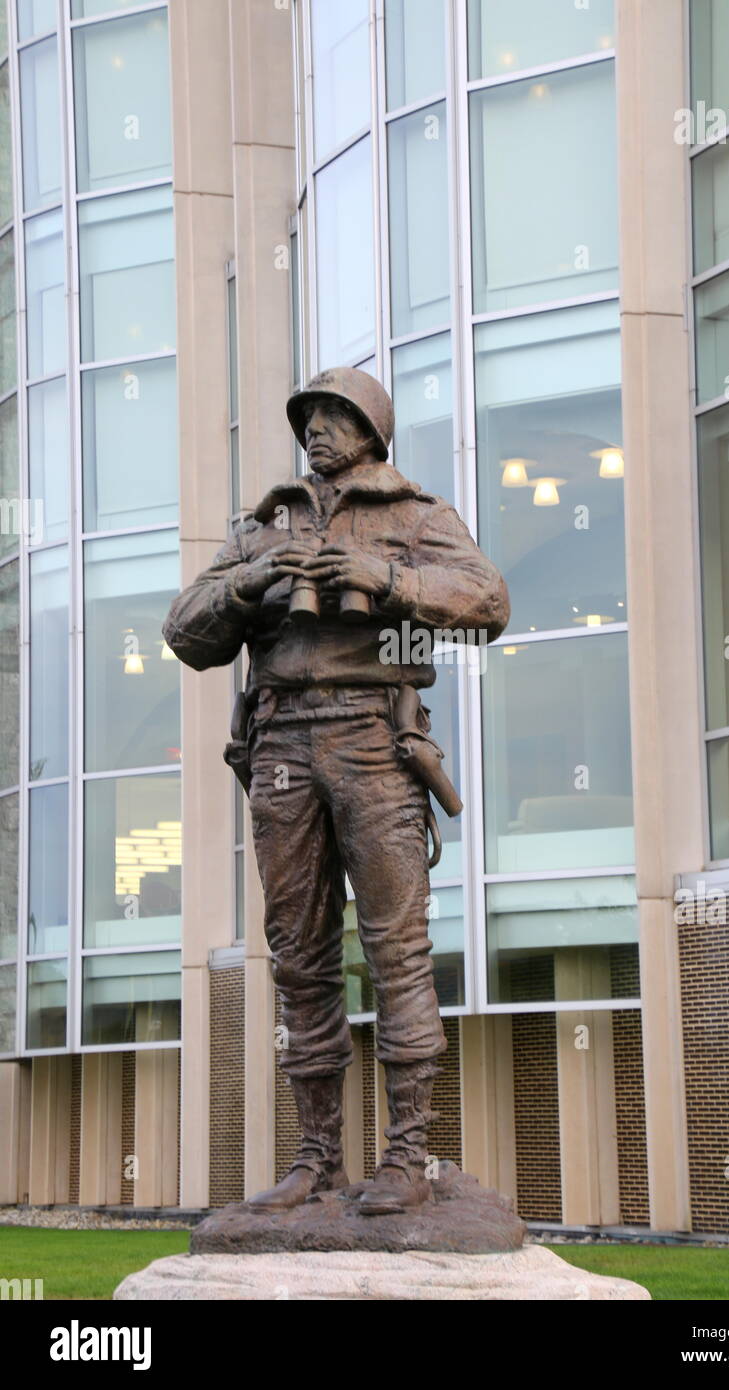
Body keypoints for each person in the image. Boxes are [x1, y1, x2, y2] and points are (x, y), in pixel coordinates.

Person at [163, 368, 509, 1214]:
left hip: (373, 737)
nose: (316, 428)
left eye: (335, 415)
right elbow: (184, 631)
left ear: (372, 429)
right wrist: (251, 585)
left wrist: (382, 577)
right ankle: (317, 1159)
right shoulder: (262, 526)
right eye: (308, 416)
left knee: (396, 951)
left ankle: (408, 1160)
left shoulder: (416, 515)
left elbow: (488, 599)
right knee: (300, 960)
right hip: (280, 743)